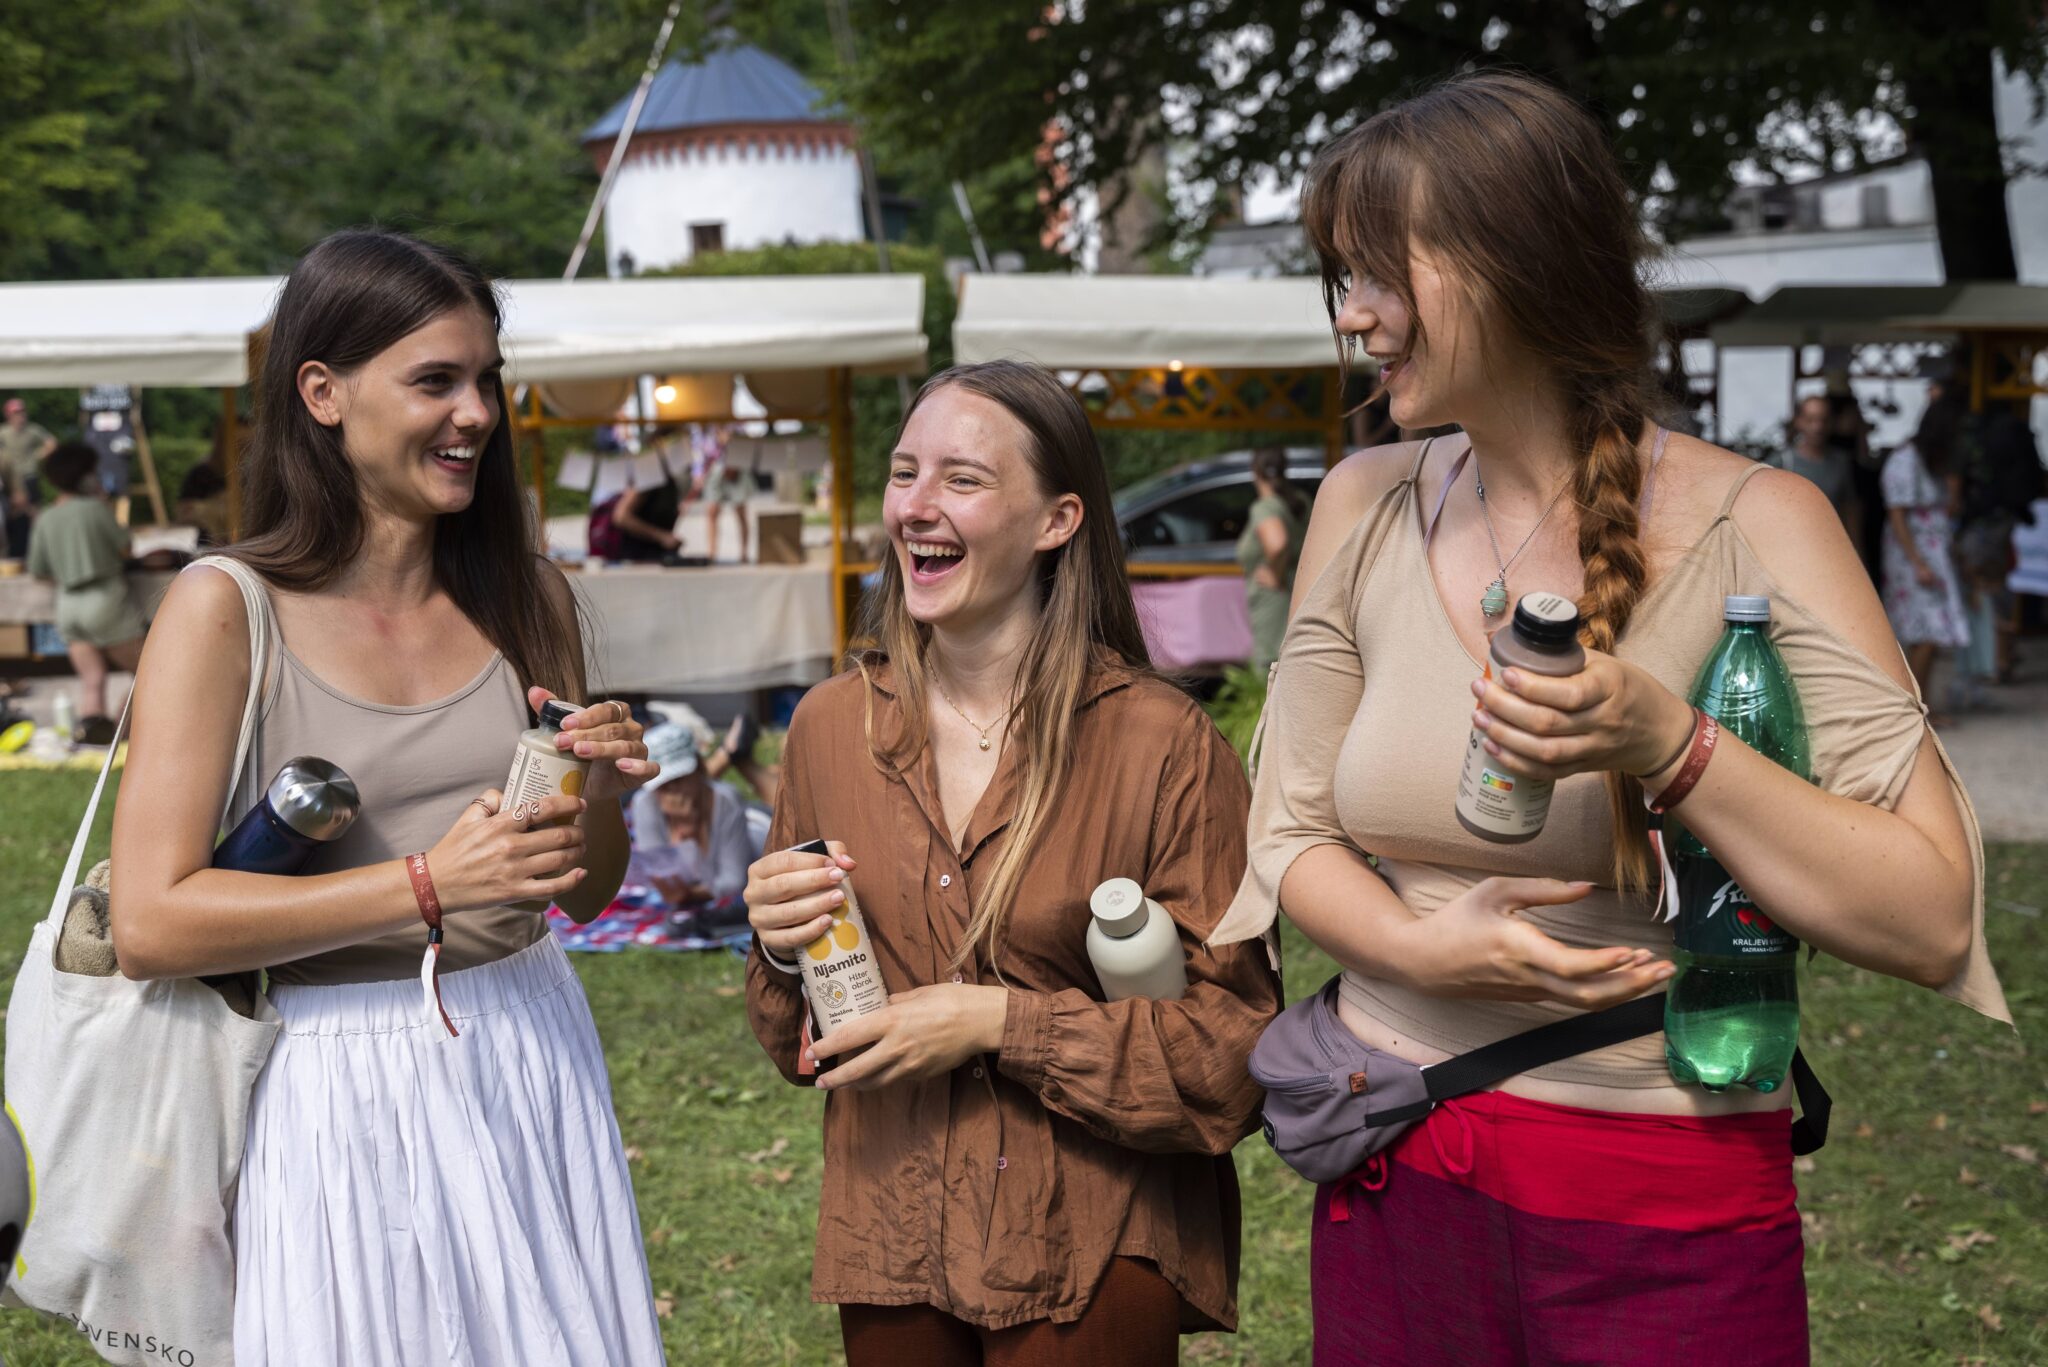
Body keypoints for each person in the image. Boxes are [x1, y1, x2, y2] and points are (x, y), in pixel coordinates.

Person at [1206, 71, 2004, 1366]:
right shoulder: (1357, 505)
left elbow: (1929, 913)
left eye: (1378, 275)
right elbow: (1287, 835)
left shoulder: (1764, 519)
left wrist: (1671, 746)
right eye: (1339, 280)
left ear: (1510, 261)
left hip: (1664, 1197)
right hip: (1400, 1164)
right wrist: (1424, 946)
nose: (1353, 318)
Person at [108, 228, 666, 1366]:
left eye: (486, 380)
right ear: (322, 391)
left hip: (527, 1045)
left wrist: (596, 791)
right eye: (435, 380)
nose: (475, 413)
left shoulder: (527, 597)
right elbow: (151, 922)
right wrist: (421, 883)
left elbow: (584, 895)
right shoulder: (225, 608)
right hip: (333, 1079)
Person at [742, 360, 1281, 1366]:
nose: (916, 505)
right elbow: (799, 1041)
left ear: (1055, 519)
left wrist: (998, 1021)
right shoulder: (828, 727)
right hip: (889, 1222)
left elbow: (1229, 1054)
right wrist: (777, 945)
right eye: (905, 472)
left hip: (1087, 1226)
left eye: (962, 478)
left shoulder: (1158, 743)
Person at [26, 441, 146, 742]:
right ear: (85, 474)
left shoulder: (46, 517)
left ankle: (92, 733)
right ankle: (126, 732)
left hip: (67, 606)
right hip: (104, 602)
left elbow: (38, 569)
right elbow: (126, 547)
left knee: (92, 680)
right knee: (147, 671)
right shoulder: (96, 509)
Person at [1881, 398, 1972, 716]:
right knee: (1925, 632)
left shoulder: (1932, 463)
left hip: (1932, 551)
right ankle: (1915, 710)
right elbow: (1897, 515)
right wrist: (1917, 562)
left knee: (1931, 632)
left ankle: (1924, 705)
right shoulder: (1905, 459)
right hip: (1913, 554)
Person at [629, 721, 753, 910]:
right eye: (663, 784)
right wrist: (681, 834)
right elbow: (660, 876)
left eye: (679, 779)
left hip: (757, 827)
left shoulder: (726, 800)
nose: (673, 791)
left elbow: (734, 881)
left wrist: (692, 829)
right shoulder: (645, 802)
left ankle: (736, 754)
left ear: (698, 769)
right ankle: (730, 751)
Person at [1238, 446, 1309, 674]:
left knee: (1270, 671)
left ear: (1255, 472)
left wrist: (1275, 576)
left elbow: (1277, 544)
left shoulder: (1265, 507)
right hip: (1302, 592)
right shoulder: (1300, 502)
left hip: (1274, 602)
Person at [1774, 394, 1854, 526]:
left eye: (1824, 420)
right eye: (1810, 420)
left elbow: (1850, 507)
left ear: (1832, 422)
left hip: (1831, 539)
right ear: (1799, 421)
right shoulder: (1782, 461)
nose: (1818, 427)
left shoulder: (1841, 462)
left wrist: (1855, 544)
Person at [0, 396, 56, 558]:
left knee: (34, 513)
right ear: (9, 415)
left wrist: (38, 456)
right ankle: (14, 551)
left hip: (29, 477)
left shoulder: (33, 430)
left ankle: (38, 550)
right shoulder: (4, 431)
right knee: (13, 514)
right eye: (16, 413)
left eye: (21, 412)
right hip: (10, 480)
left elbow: (51, 443)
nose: (20, 416)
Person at [693, 425, 751, 563]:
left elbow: (746, 445)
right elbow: (697, 450)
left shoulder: (735, 426)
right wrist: (697, 473)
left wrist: (729, 440)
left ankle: (744, 553)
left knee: (740, 511)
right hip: (714, 470)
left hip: (734, 469)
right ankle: (712, 553)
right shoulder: (703, 427)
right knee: (712, 512)